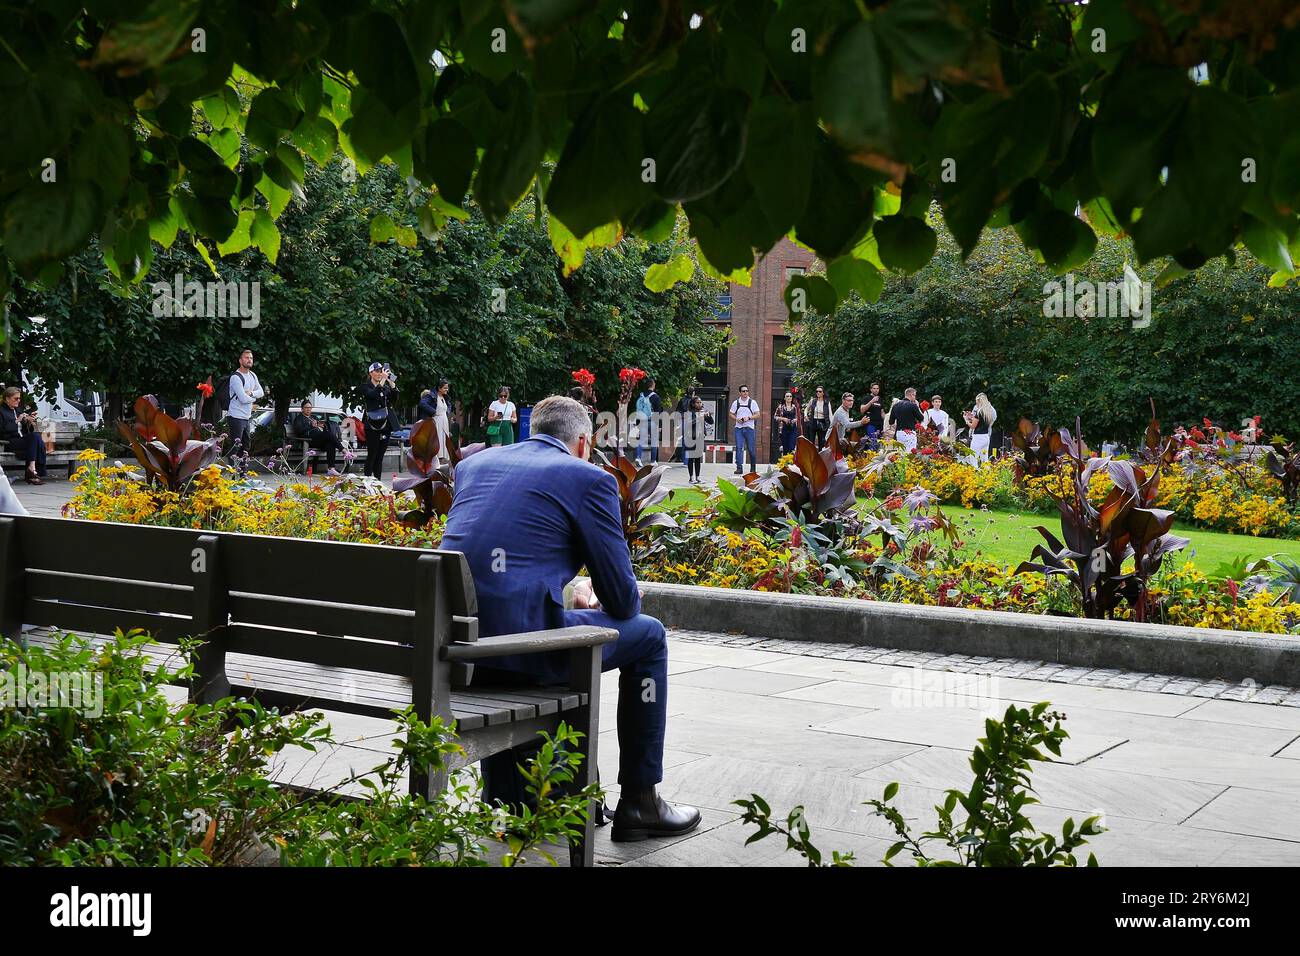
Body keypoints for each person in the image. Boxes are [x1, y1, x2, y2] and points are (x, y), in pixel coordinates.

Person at [440, 395, 701, 842]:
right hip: (512, 651)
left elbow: (497, 564)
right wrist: (601, 591)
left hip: (450, 650)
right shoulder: (589, 478)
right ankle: (641, 801)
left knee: (536, 622)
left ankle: (516, 795)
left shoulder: (476, 467)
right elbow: (622, 603)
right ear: (583, 442)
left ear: (532, 431)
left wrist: (572, 588)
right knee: (651, 636)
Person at [1, 386, 46, 485]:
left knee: (36, 436)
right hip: (9, 442)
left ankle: (32, 471)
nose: (18, 401)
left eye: (19, 398)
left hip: (22, 441)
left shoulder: (18, 410)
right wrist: (17, 421)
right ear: (7, 399)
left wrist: (27, 421)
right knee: (35, 438)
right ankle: (33, 471)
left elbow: (25, 431)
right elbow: (2, 430)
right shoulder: (1, 411)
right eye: (16, 398)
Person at [225, 349, 264, 462]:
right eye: (246, 358)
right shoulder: (236, 377)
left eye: (251, 358)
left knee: (246, 447)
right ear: (240, 361)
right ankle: (232, 475)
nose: (249, 360)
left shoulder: (252, 375)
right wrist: (254, 398)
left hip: (246, 417)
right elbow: (242, 398)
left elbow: (261, 392)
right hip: (236, 416)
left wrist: (251, 393)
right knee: (235, 447)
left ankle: (242, 475)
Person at [361, 362, 396, 479]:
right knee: (372, 454)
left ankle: (378, 481)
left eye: (381, 371)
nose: (380, 373)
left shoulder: (385, 387)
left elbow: (394, 398)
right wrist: (382, 382)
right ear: (370, 373)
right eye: (377, 371)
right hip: (371, 425)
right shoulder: (366, 386)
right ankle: (367, 480)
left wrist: (391, 382)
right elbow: (373, 396)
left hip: (385, 424)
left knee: (380, 455)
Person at [290, 399, 344, 474]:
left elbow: (321, 427)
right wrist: (311, 426)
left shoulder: (314, 417)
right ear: (302, 409)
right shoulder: (299, 419)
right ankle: (343, 450)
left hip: (319, 439)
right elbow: (299, 431)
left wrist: (322, 426)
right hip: (309, 441)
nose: (308, 409)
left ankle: (331, 468)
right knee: (329, 435)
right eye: (306, 407)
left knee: (330, 444)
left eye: (310, 407)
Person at [683, 395, 713, 484]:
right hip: (691, 437)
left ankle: (698, 477)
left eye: (700, 402)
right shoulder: (689, 413)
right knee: (691, 458)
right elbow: (689, 423)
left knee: (698, 458)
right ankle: (691, 478)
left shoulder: (702, 412)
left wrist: (708, 415)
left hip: (700, 437)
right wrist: (699, 417)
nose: (700, 404)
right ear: (693, 404)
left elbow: (711, 422)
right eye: (697, 402)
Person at [729, 385, 759, 474]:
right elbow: (731, 413)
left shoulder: (752, 402)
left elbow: (758, 414)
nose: (745, 392)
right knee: (739, 447)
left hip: (749, 428)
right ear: (740, 393)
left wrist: (749, 418)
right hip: (739, 428)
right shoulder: (736, 403)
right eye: (743, 391)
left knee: (751, 448)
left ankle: (753, 467)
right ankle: (739, 468)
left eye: (746, 391)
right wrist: (736, 419)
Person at [889, 387, 925, 453]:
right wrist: (917, 407)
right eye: (915, 395)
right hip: (910, 432)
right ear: (912, 395)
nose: (915, 397)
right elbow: (921, 418)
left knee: (901, 453)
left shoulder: (895, 406)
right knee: (910, 453)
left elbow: (891, 422)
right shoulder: (913, 405)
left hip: (899, 433)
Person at [965, 392, 998, 464]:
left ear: (980, 401)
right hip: (986, 436)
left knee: (973, 458)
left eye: (977, 402)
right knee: (984, 459)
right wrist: (972, 418)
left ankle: (974, 474)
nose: (976, 404)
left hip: (978, 437)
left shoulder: (979, 412)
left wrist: (967, 420)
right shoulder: (989, 411)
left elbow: (973, 426)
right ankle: (986, 474)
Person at [774, 391, 800, 456]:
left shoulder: (794, 407)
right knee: (785, 448)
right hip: (783, 428)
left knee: (791, 447)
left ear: (792, 398)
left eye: (790, 396)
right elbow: (775, 417)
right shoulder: (780, 407)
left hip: (793, 428)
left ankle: (791, 463)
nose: (789, 397)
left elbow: (797, 417)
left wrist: (794, 420)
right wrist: (783, 419)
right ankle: (785, 464)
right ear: (784, 398)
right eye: (787, 396)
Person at [860, 383, 885, 449]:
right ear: (871, 389)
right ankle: (871, 458)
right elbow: (862, 410)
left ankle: (877, 458)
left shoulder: (880, 399)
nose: (876, 390)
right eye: (874, 388)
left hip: (879, 424)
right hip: (870, 424)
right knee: (872, 442)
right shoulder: (866, 398)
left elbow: (882, 412)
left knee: (880, 443)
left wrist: (886, 422)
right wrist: (871, 401)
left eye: (877, 388)